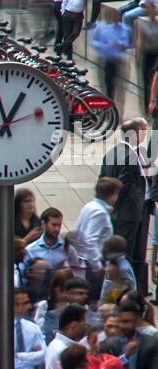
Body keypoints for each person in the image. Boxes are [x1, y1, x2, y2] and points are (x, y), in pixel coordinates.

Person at [101, 119, 151, 288]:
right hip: (129, 213)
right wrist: (114, 205)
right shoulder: (130, 156)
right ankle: (125, 287)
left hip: (118, 212)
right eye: (142, 131)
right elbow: (122, 185)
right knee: (126, 253)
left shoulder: (112, 152)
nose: (145, 135)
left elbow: (102, 179)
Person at [69, 176, 123, 297]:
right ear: (112, 195)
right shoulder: (100, 213)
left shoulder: (89, 206)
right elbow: (90, 241)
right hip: (92, 263)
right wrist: (97, 267)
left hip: (82, 260)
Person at [22, 208, 81, 275]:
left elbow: (76, 270)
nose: (57, 229)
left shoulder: (68, 248)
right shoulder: (30, 250)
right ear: (43, 224)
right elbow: (23, 274)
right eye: (54, 225)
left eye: (59, 225)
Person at [90, 12, 130, 101]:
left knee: (119, 89)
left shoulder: (123, 29)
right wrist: (105, 46)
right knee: (106, 86)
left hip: (118, 60)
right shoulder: (101, 27)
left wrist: (119, 44)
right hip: (105, 59)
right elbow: (93, 42)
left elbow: (126, 42)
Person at [100, 235, 137, 304]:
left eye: (105, 248)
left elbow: (131, 285)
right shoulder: (109, 262)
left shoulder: (124, 268)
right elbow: (106, 284)